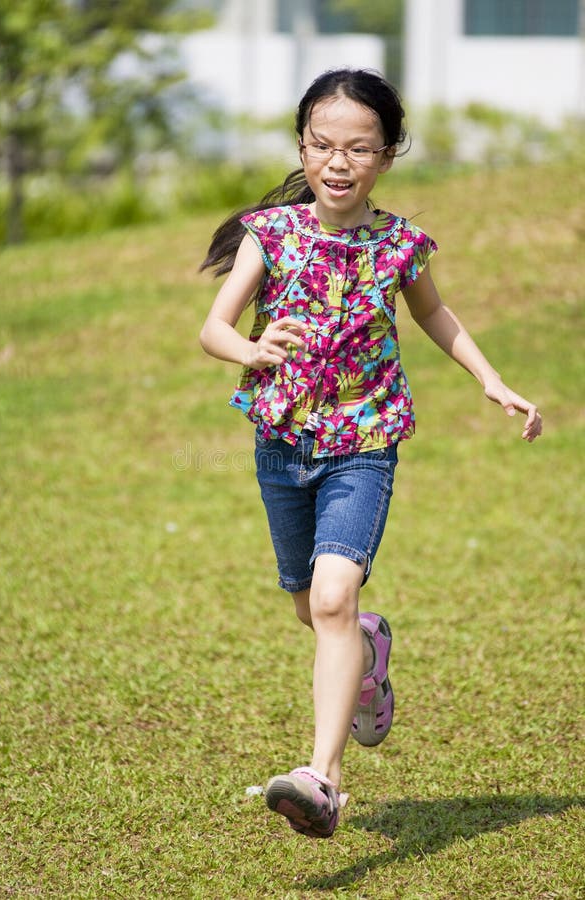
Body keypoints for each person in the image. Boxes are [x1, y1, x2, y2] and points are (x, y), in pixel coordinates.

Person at [199, 68, 542, 839]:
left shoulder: (399, 245)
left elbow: (437, 316)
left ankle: (321, 780)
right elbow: (213, 328)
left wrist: (491, 380)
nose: (339, 162)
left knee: (331, 602)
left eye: (360, 148)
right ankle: (370, 648)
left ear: (388, 155)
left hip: (366, 445)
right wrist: (252, 351)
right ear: (303, 147)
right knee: (308, 605)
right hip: (283, 444)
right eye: (323, 145)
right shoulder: (272, 234)